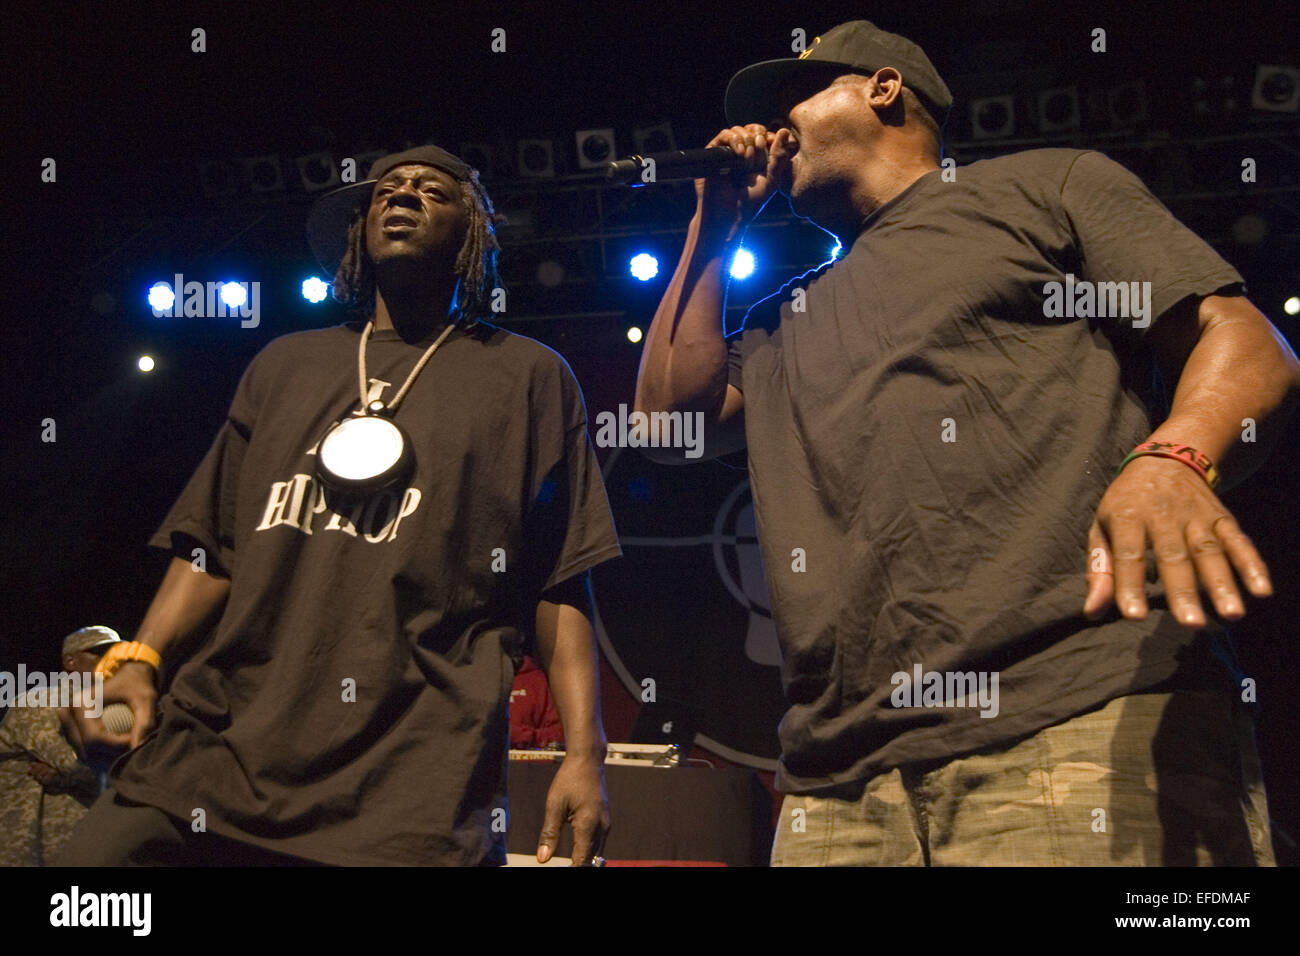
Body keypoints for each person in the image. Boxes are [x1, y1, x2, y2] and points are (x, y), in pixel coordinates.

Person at [635, 20, 1300, 865]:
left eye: (794, 97)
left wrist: (1175, 458)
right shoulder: (786, 313)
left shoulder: (1041, 189)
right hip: (838, 780)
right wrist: (716, 220)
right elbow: (663, 425)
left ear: (884, 89)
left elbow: (1243, 341)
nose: (773, 126)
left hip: (1073, 717)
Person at [60, 145, 621, 866]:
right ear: (359, 230)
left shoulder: (528, 377)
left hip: (411, 775)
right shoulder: (283, 366)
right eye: (388, 189)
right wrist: (140, 656)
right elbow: (210, 545)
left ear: (475, 233)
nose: (405, 195)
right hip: (222, 743)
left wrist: (586, 752)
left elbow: (560, 579)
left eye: (432, 190)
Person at [0, 627, 119, 866]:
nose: (112, 660)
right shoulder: (42, 701)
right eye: (100, 652)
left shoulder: (112, 710)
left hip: (78, 841)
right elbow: (74, 765)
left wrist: (64, 777)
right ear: (71, 661)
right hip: (29, 843)